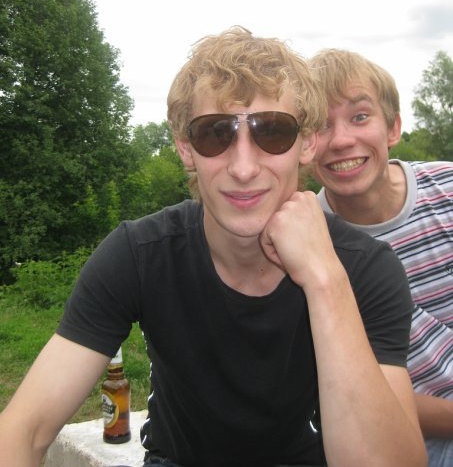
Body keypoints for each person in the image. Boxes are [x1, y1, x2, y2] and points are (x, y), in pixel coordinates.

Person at [0, 27, 427, 467]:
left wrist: (325, 281)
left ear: (307, 144)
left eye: (273, 132)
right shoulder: (141, 254)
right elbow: (24, 429)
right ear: (186, 149)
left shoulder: (365, 268)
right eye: (215, 134)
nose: (243, 168)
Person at [308, 48, 453, 467]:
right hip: (401, 436)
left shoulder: (446, 191)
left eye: (359, 116)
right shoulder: (304, 243)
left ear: (393, 127)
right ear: (303, 146)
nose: (341, 140)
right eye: (320, 125)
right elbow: (339, 391)